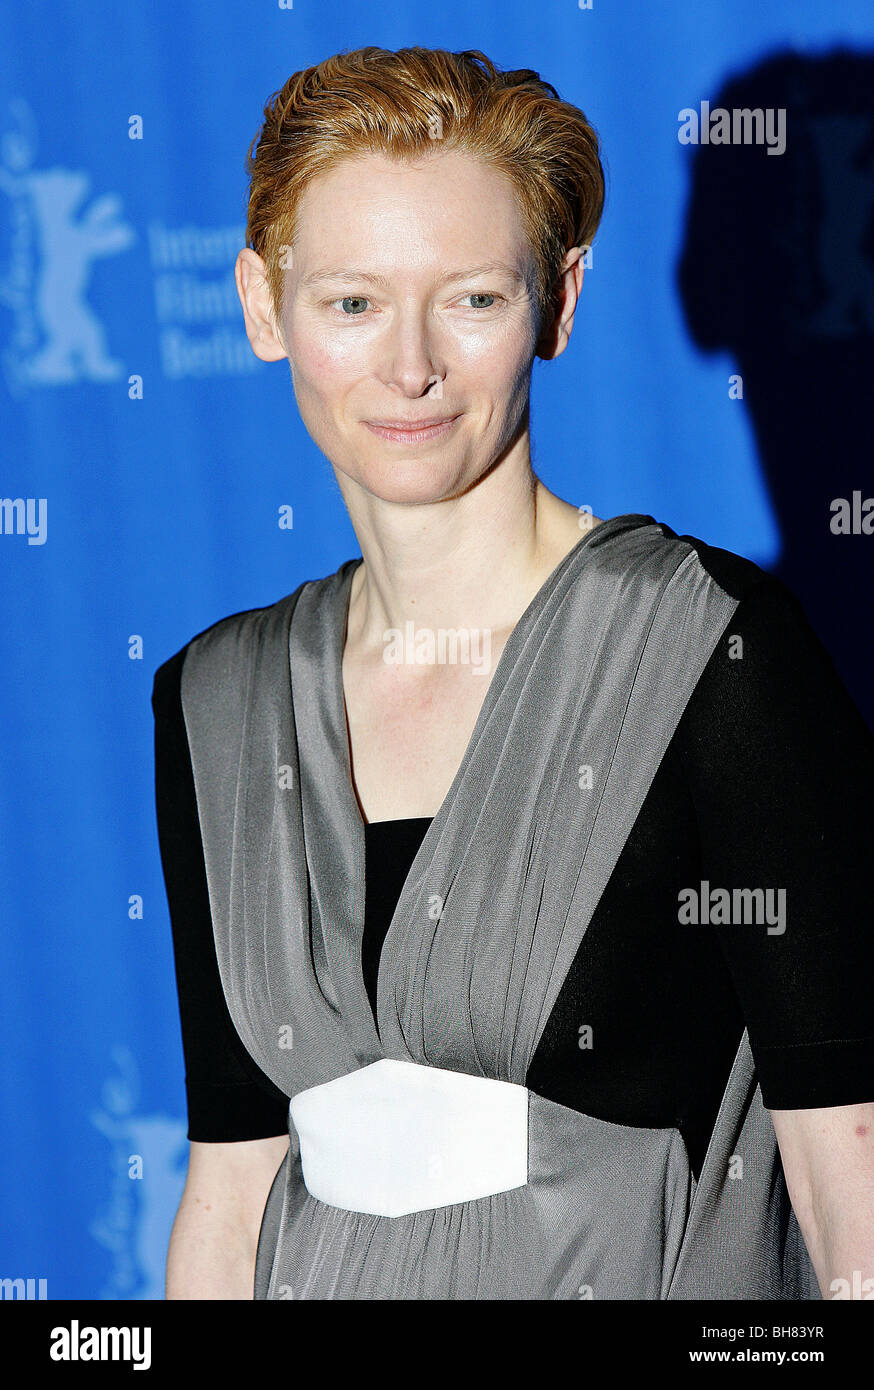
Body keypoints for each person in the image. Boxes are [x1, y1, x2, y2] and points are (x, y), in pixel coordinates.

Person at [152, 46, 874, 1300]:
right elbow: (229, 1183)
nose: (412, 366)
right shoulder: (216, 700)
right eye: (352, 302)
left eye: (473, 298)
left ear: (561, 298)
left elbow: (845, 1171)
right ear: (264, 309)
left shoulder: (713, 649)